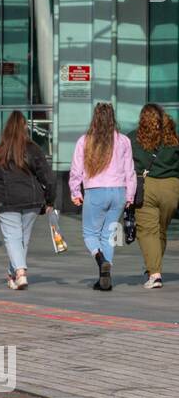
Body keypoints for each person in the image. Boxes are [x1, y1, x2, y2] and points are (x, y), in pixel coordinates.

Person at [0, 111, 55, 290]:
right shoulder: (33, 148)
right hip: (32, 201)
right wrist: (50, 200)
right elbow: (48, 177)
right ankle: (13, 275)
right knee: (22, 239)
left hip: (7, 200)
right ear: (25, 127)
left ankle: (20, 273)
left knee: (13, 237)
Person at [69, 103, 136, 292]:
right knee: (108, 236)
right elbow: (129, 171)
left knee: (90, 234)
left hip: (95, 191)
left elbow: (76, 169)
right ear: (112, 118)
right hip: (119, 192)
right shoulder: (123, 141)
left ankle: (101, 261)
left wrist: (75, 192)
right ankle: (105, 278)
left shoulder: (85, 141)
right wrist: (130, 196)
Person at [129, 103, 179, 288]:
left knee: (148, 231)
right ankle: (153, 266)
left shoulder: (134, 137)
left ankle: (155, 274)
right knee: (161, 230)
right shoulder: (172, 139)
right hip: (172, 187)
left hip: (146, 186)